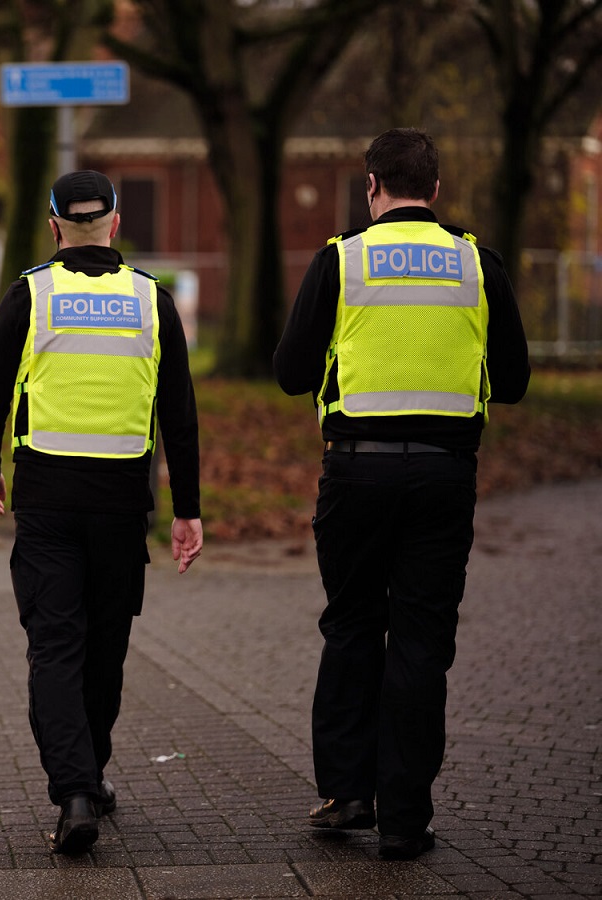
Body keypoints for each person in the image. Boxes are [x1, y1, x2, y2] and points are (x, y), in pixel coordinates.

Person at [273, 128, 530, 860]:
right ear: (438, 190)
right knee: (421, 640)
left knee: (352, 625)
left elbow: (292, 371)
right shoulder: (478, 263)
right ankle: (407, 819)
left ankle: (347, 792)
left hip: (356, 471)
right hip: (446, 475)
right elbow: (512, 382)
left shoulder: (341, 260)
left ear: (371, 187)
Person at [0, 170, 204, 855]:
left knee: (55, 646)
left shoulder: (31, 294)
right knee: (104, 648)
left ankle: (76, 788)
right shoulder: (150, 301)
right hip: (121, 503)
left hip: (45, 498)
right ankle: (89, 774)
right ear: (116, 223)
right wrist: (186, 509)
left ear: (53, 227)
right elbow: (180, 416)